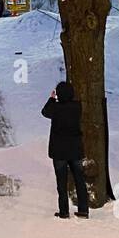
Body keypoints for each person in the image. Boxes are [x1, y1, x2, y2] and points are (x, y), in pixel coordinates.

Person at [42, 81, 89, 219]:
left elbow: (45, 112)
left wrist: (51, 98)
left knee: (61, 182)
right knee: (80, 180)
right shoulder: (77, 106)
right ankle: (83, 209)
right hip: (75, 149)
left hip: (59, 150)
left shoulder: (56, 108)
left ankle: (64, 211)